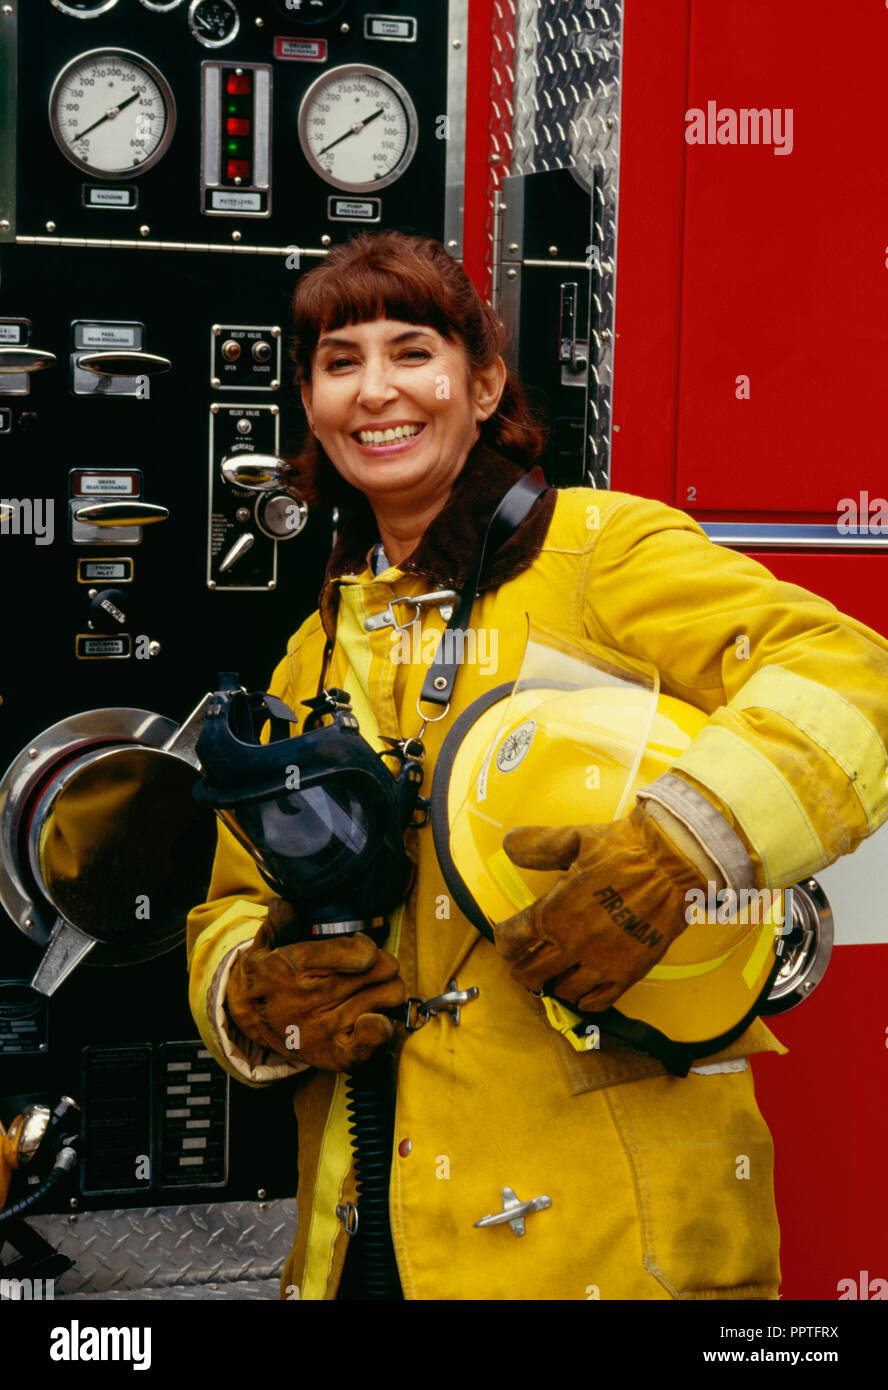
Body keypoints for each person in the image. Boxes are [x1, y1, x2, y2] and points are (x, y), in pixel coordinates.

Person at [187, 230, 888, 1301]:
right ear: (311, 405)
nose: (377, 390)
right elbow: (232, 905)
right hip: (363, 1244)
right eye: (339, 362)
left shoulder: (602, 552)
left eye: (411, 351)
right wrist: (253, 999)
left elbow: (854, 676)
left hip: (610, 1251)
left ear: (483, 385)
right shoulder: (316, 648)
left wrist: (684, 846)